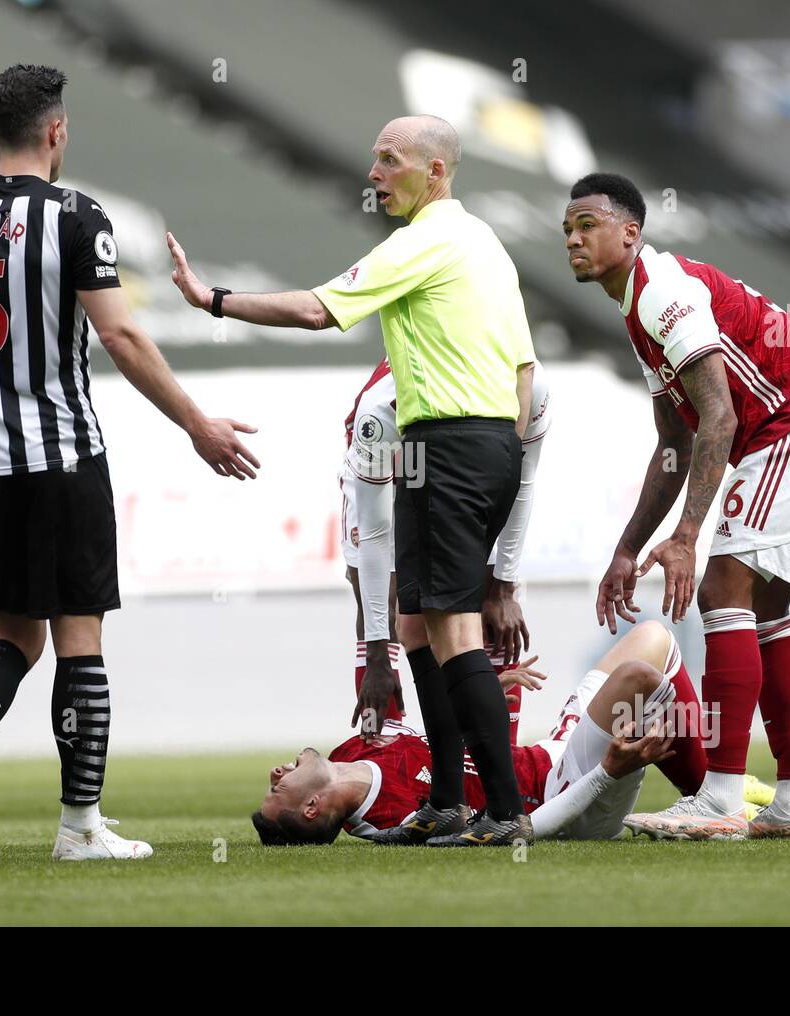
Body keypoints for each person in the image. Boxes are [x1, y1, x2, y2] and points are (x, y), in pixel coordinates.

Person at [0, 64, 259, 863]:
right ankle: (80, 827)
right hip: (64, 455)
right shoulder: (77, 216)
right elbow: (120, 337)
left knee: (11, 634)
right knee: (78, 635)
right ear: (56, 132)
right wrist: (196, 425)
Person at [167, 115, 538, 846]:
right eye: (373, 159)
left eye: (389, 161)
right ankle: (447, 799)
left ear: (435, 172)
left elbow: (315, 310)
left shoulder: (424, 243)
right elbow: (524, 369)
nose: (374, 175)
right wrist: (501, 452)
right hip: (486, 443)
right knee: (416, 627)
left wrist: (212, 299)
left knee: (455, 633)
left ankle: (502, 813)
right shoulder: (485, 244)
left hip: (447, 444)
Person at [563, 173, 790, 840]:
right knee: (764, 611)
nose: (573, 239)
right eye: (567, 230)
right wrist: (627, 547)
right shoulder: (638, 308)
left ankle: (723, 797)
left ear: (630, 232)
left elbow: (719, 417)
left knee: (722, 588)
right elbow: (674, 440)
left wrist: (687, 535)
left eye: (587, 224)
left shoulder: (663, 294)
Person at [250, 620, 759, 845]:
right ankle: (720, 799)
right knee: (640, 681)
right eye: (278, 789)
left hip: (549, 756)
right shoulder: (395, 822)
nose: (275, 773)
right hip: (569, 801)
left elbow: (443, 730)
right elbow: (519, 829)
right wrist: (607, 773)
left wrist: (484, 689)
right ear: (313, 809)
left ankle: (721, 790)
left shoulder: (354, 747)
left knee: (653, 640)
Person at [340, 356, 551, 742]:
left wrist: (503, 586)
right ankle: (382, 749)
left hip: (468, 462)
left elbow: (521, 481)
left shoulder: (526, 382)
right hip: (390, 459)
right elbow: (374, 536)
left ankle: (488, 770)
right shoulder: (379, 412)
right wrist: (377, 652)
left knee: (490, 604)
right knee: (385, 607)